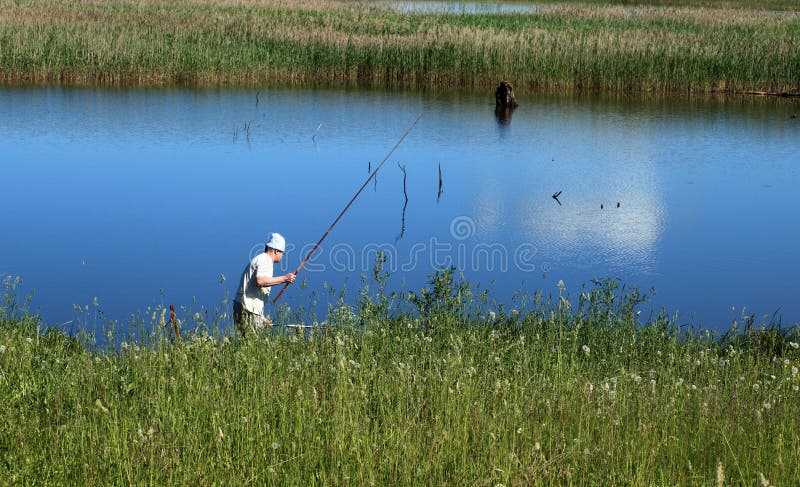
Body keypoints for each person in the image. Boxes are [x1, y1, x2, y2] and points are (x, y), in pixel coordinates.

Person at [233, 232, 296, 335]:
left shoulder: (261, 259)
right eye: (282, 253)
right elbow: (260, 281)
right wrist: (285, 278)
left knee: (243, 342)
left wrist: (261, 317)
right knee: (252, 344)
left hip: (241, 305)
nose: (282, 256)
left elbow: (253, 290)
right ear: (276, 251)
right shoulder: (265, 259)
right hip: (248, 309)